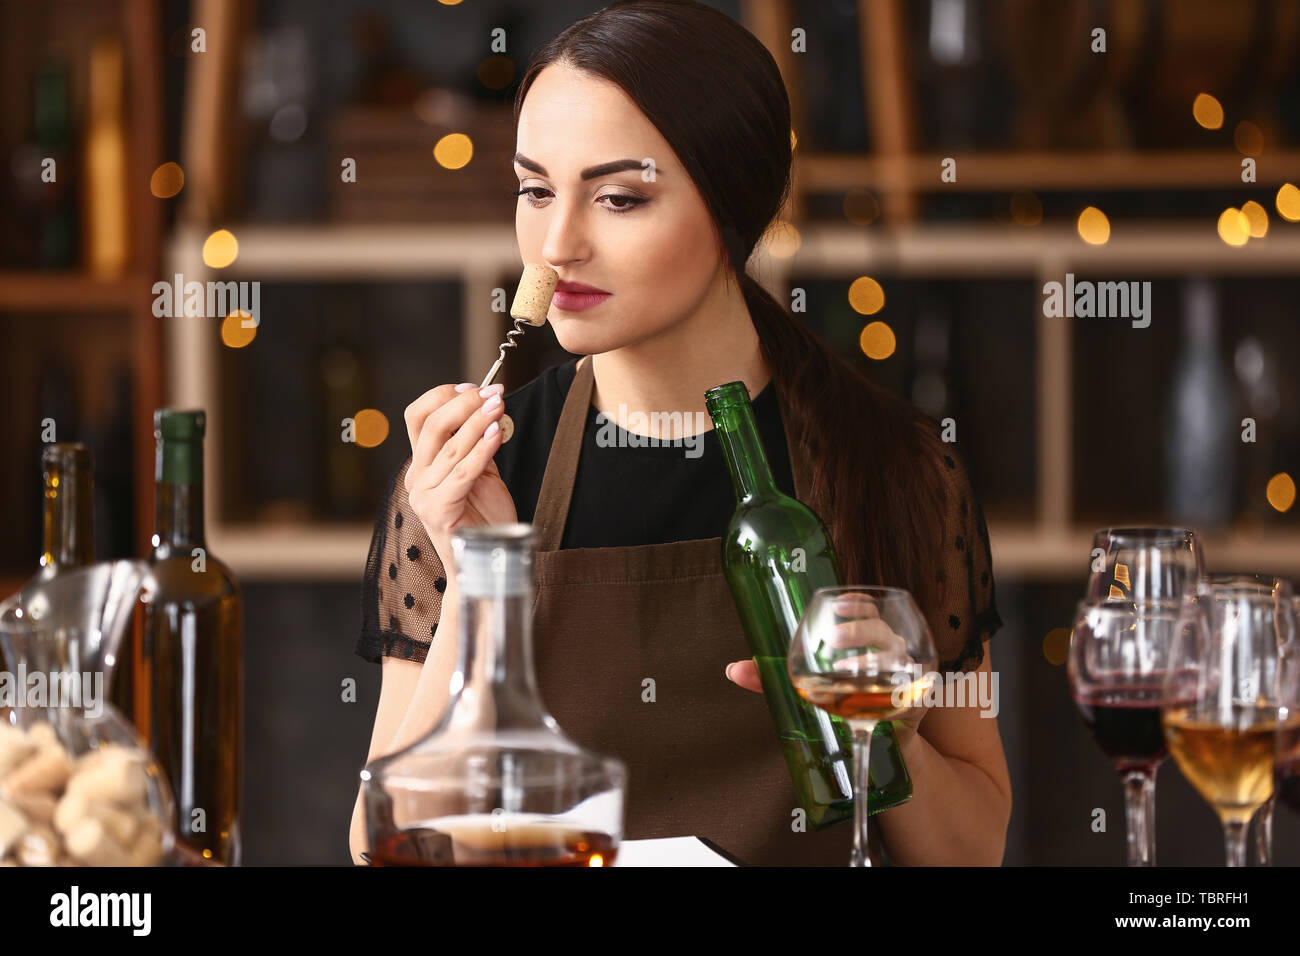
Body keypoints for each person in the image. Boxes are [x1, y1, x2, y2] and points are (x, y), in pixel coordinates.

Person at [350, 0, 1010, 866]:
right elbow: (379, 849)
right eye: (536, 189)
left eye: (619, 198)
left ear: (736, 205)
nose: (556, 245)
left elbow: (974, 848)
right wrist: (479, 583)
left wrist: (883, 735)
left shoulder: (903, 472)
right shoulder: (471, 472)